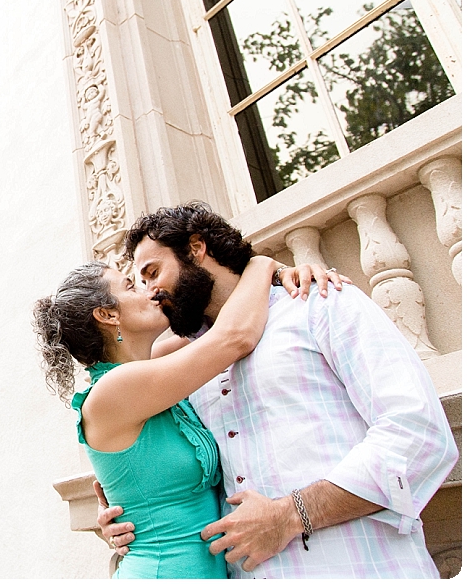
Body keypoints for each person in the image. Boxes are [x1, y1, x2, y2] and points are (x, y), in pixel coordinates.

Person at [97, 201, 458, 578]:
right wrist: (129, 513)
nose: (151, 292)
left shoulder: (321, 301)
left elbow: (418, 433)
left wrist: (291, 514)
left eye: (153, 273)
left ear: (196, 248)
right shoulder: (186, 369)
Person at [33, 253, 344, 578]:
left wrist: (292, 273)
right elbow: (234, 337)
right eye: (130, 286)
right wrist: (261, 264)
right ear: (108, 314)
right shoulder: (115, 389)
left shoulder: (150, 367)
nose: (149, 292)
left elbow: (226, 320)